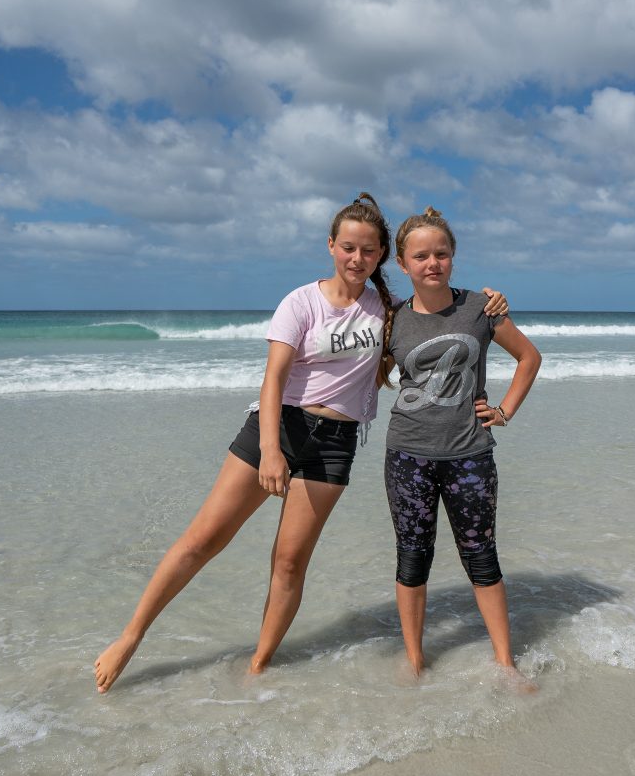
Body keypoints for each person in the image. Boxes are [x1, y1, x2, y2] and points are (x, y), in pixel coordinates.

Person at [94, 194, 506, 693]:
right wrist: (270, 450)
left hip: (336, 443)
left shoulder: (388, 311)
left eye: (368, 250)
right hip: (278, 429)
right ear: (331, 246)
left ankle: (257, 668)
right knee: (204, 540)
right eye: (348, 247)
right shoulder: (301, 302)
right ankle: (131, 637)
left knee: (289, 562)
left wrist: (491, 309)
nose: (357, 259)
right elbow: (273, 379)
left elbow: (429, 333)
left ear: (381, 257)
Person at [382, 207, 541, 684]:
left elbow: (529, 357)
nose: (433, 263)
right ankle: (414, 662)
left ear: (453, 258)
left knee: (481, 555)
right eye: (421, 256)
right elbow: (367, 374)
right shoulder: (391, 320)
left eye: (442, 254)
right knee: (413, 556)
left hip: (470, 454)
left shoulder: (480, 308)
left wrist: (504, 412)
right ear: (403, 262)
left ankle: (505, 664)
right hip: (407, 455)